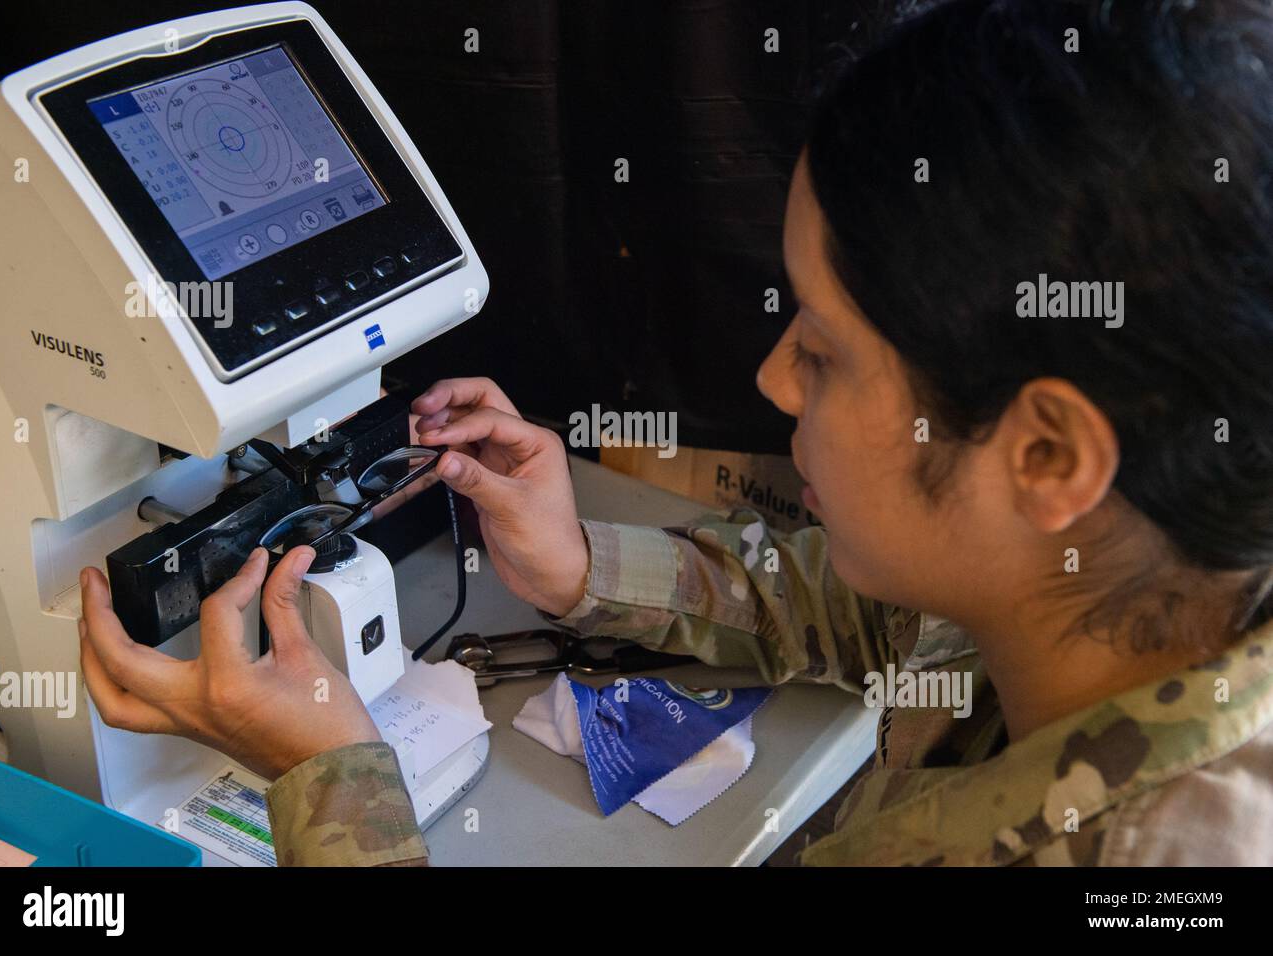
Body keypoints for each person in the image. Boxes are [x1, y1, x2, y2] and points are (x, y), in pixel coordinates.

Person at [79, 0, 1273, 866]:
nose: (769, 377)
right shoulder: (1145, 571)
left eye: (821, 348)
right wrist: (587, 567)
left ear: (1048, 456)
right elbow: (902, 627)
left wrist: (334, 789)